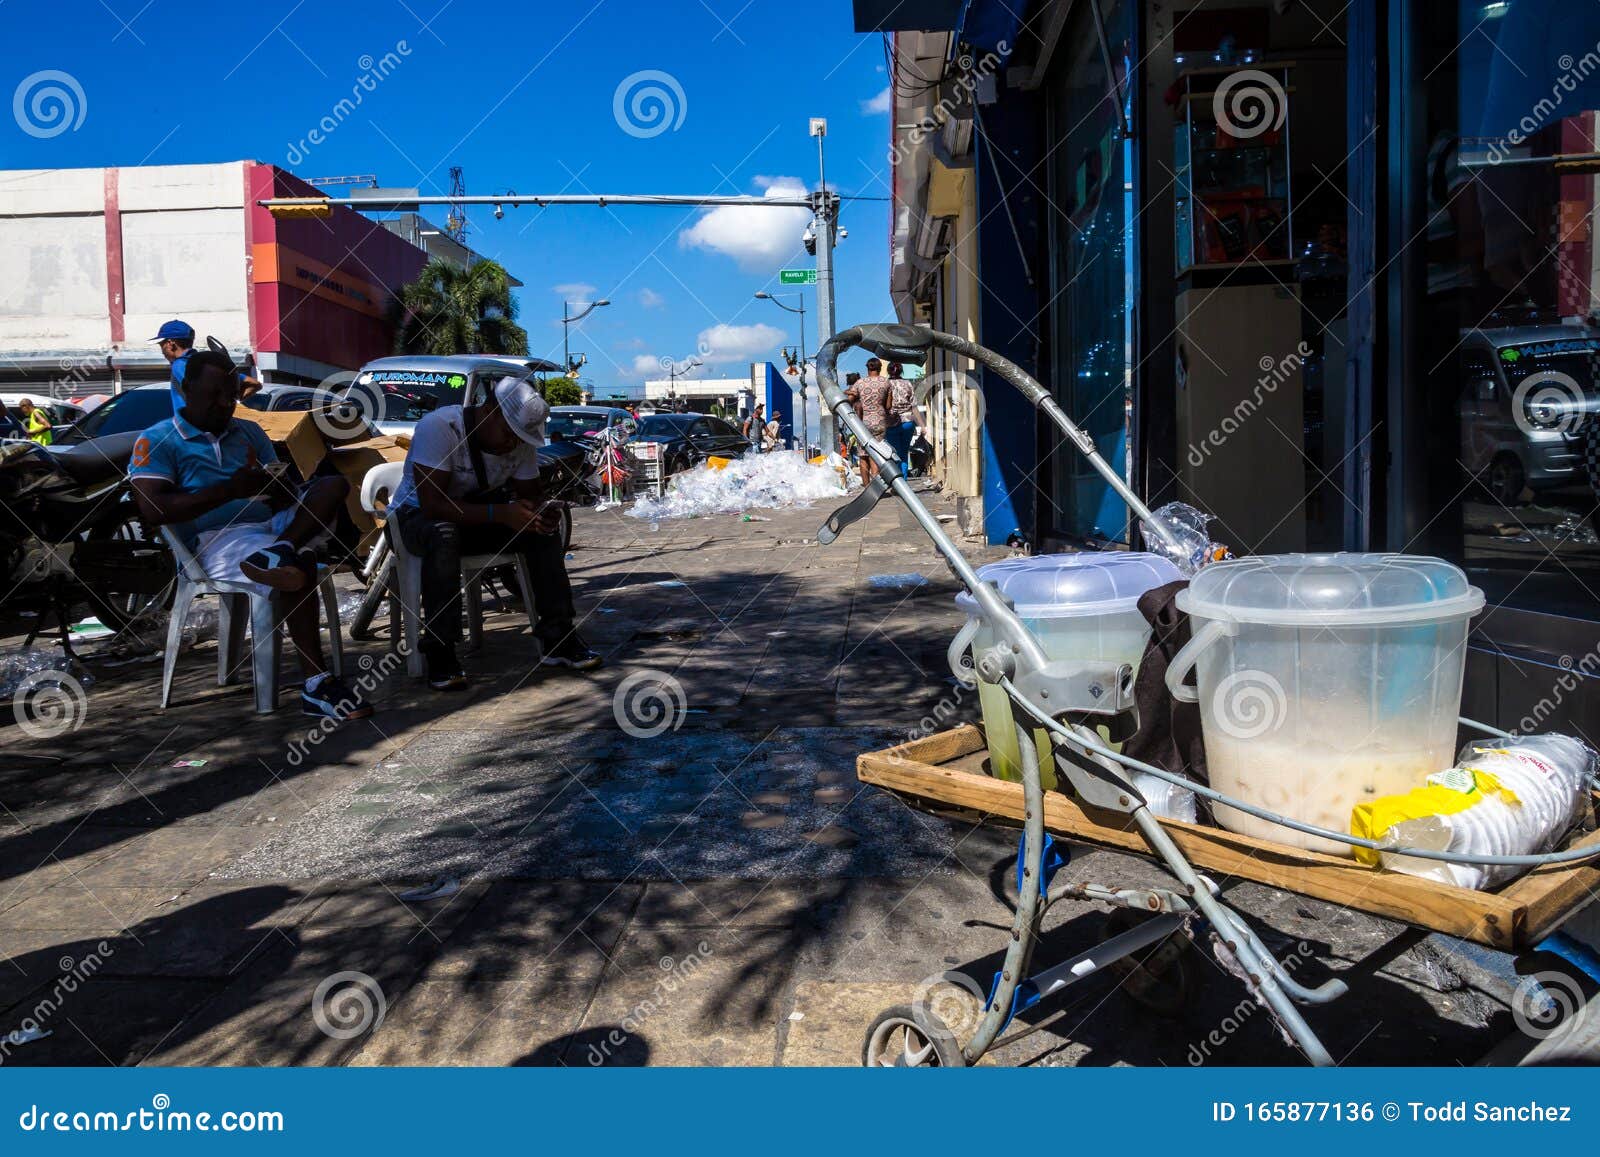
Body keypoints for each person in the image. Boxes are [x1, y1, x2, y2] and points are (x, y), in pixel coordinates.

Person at [128, 348, 372, 721]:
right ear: (187, 388)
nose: (226, 404)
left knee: (332, 485)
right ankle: (316, 683)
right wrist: (230, 490)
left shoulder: (249, 431)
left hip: (270, 528)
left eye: (231, 394)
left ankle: (282, 550)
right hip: (214, 540)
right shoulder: (157, 440)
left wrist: (278, 486)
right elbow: (153, 510)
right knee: (302, 563)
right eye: (215, 394)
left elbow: (284, 491)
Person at [389, 375, 601, 690]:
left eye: (519, 437)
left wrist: (540, 512)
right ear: (488, 412)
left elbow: (529, 494)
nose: (511, 444)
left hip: (474, 519)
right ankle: (440, 649)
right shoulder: (440, 428)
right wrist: (502, 513)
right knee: (444, 534)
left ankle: (558, 637)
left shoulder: (520, 441)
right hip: (416, 522)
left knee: (540, 534)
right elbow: (434, 506)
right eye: (508, 433)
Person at [154, 319, 260, 412]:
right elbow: (254, 384)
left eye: (161, 345)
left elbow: (202, 390)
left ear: (170, 343)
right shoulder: (208, 364)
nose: (162, 351)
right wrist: (230, 402)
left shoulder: (179, 365)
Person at [845, 358, 892, 484]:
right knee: (876, 452)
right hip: (880, 421)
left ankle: (866, 486)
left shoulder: (860, 383)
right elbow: (888, 406)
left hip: (863, 423)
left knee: (863, 455)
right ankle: (877, 482)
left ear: (867, 368)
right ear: (880, 367)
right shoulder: (886, 382)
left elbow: (850, 399)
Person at [883, 361, 923, 479]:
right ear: (901, 371)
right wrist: (922, 425)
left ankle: (897, 481)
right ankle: (903, 480)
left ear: (889, 371)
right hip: (908, 422)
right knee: (904, 452)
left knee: (894, 454)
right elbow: (914, 406)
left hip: (891, 423)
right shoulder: (908, 384)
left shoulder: (885, 384)